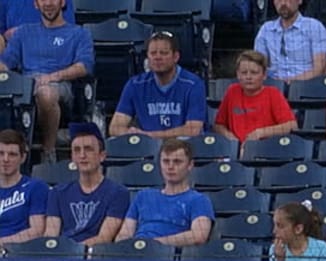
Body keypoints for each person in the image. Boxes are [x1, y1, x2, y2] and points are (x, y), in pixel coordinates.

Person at [0, 0, 91, 160]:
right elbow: (6, 63)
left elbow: (84, 66)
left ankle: (48, 152)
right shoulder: (24, 32)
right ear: (36, 5)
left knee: (46, 93)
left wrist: (53, 76)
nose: (48, 3)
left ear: (63, 3)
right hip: (27, 85)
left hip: (61, 85)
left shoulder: (79, 33)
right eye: (43, 0)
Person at [115, 139, 214, 247]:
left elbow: (199, 236)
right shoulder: (143, 196)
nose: (170, 167)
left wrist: (153, 244)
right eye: (166, 161)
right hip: (136, 255)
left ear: (190, 165)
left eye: (177, 161)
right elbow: (124, 234)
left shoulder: (199, 200)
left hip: (170, 257)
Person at [43, 123, 129, 247]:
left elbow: (104, 238)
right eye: (77, 150)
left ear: (102, 156)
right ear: (72, 157)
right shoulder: (57, 192)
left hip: (95, 258)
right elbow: (51, 235)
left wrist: (72, 251)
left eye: (88, 149)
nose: (82, 155)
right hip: (61, 256)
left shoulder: (118, 193)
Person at [107, 32, 207, 139]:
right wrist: (130, 133)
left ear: (176, 57)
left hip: (182, 147)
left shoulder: (193, 84)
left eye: (164, 53)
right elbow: (115, 128)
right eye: (153, 53)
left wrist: (150, 136)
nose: (157, 57)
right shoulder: (135, 84)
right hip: (146, 148)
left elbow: (193, 130)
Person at [213, 50, 299, 145]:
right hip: (234, 149)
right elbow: (219, 125)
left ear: (264, 75)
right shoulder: (232, 91)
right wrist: (229, 136)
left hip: (265, 148)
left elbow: (291, 125)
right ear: (237, 74)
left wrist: (261, 133)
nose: (248, 77)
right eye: (244, 73)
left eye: (254, 73)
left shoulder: (273, 94)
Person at [256, 0, 326, 81]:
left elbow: (319, 69)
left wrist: (290, 81)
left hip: (306, 85)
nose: (283, 3)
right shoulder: (266, 29)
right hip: (274, 86)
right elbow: (258, 65)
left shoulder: (314, 27)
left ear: (299, 1)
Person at [0, 129, 46, 248]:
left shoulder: (36, 187)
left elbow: (37, 231)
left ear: (23, 157)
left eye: (12, 154)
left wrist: (3, 242)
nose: (5, 159)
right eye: (1, 153)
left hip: (20, 255)